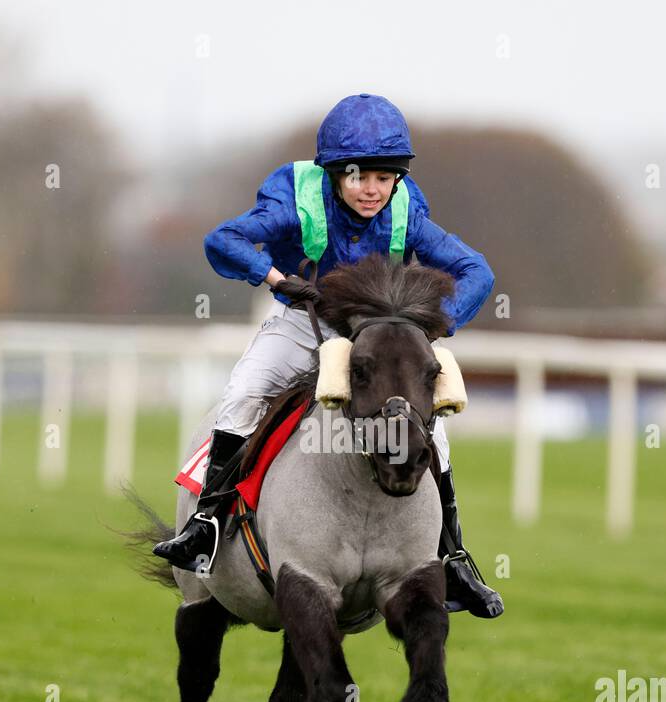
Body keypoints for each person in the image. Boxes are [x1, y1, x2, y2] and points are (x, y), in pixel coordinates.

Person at [154, 93, 502, 619]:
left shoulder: (409, 206)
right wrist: (277, 280)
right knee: (244, 394)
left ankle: (452, 557)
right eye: (359, 176)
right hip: (304, 323)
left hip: (378, 340)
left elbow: (478, 271)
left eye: (385, 178)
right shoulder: (295, 194)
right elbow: (222, 241)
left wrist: (432, 323)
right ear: (335, 172)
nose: (372, 189)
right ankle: (206, 525)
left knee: (435, 435)